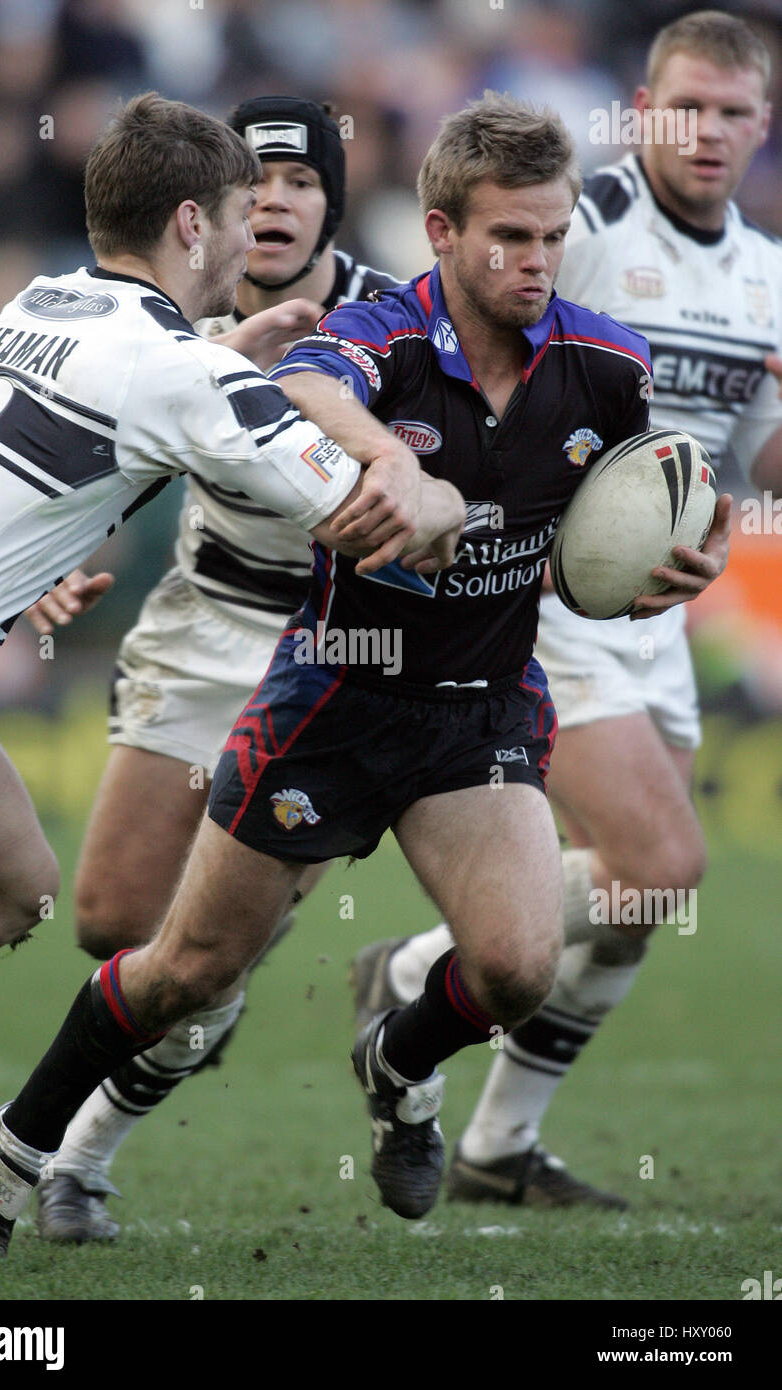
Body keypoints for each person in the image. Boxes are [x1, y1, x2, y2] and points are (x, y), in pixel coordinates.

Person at [0, 90, 728, 1258]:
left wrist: (674, 557)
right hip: (329, 698)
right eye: (508, 235)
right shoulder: (375, 336)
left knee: (514, 969)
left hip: (479, 709)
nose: (535, 259)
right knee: (177, 965)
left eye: (553, 234)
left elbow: (615, 522)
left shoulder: (606, 365)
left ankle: (396, 1060)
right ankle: (19, 1148)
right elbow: (300, 392)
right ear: (441, 230)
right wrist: (401, 478)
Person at [351, 9, 782, 1211]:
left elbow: (748, 457)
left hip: (657, 604)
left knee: (636, 907)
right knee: (658, 863)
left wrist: (718, 519)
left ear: (761, 122)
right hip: (546, 593)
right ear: (641, 107)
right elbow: (451, 335)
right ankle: (422, 966)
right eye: (683, 104)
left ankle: (497, 1142)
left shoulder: (764, 272)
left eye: (733, 109)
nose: (707, 130)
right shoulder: (572, 223)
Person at [26, 97, 399, 1244]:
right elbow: (98, 439)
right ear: (219, 208)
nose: (277, 200)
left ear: (333, 196)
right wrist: (51, 557)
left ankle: (77, 1160)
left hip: (337, 651)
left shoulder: (395, 318)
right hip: (203, 623)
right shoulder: (170, 312)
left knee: (203, 955)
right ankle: (209, 988)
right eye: (258, 182)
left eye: (300, 180)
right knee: (112, 922)